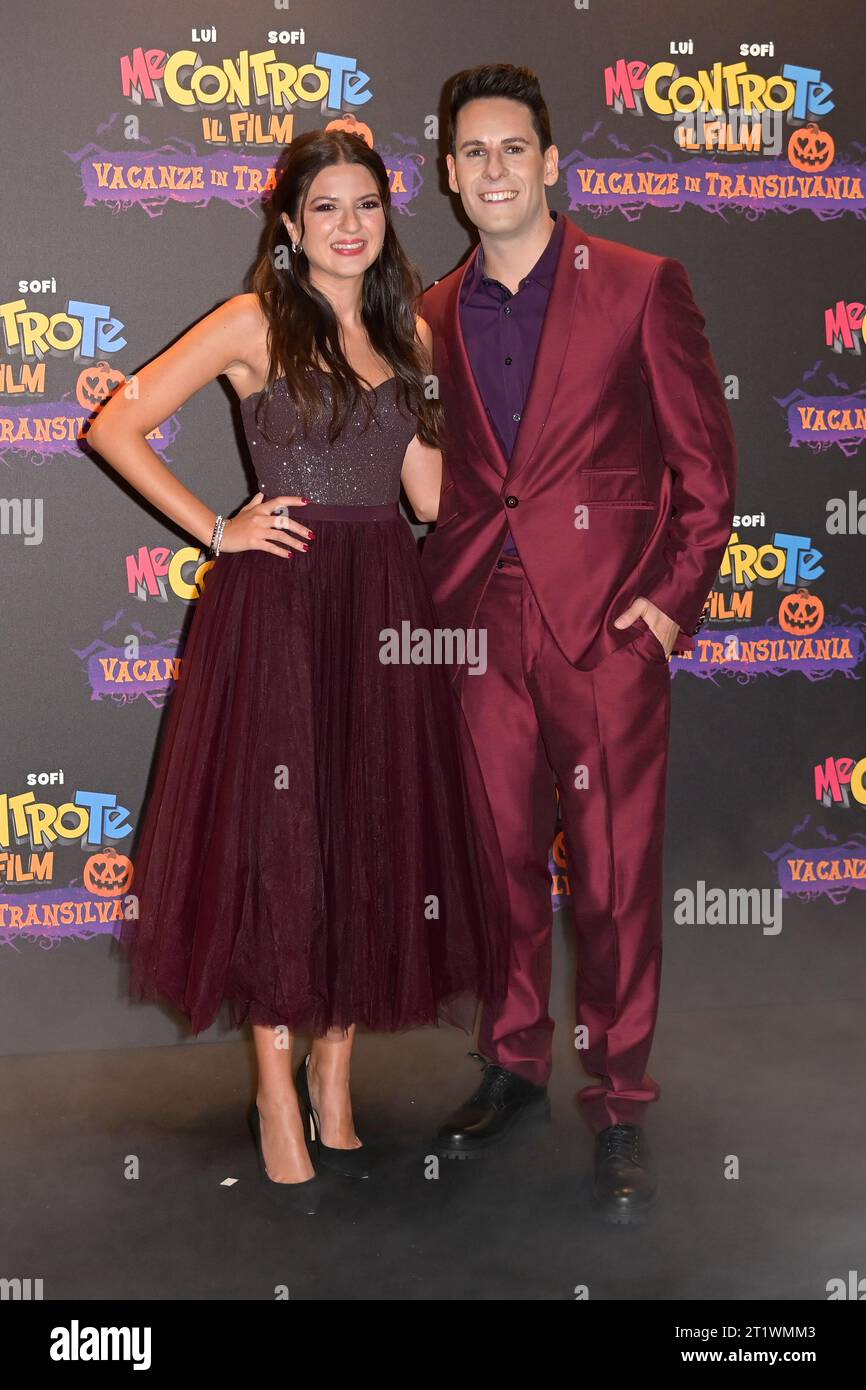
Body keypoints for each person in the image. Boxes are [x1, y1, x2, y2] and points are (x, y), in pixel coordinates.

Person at [87, 130, 508, 1212]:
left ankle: (333, 1073)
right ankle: (275, 1088)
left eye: (364, 204)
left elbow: (423, 497)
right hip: (277, 606)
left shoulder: (402, 328)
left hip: (382, 604)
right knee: (282, 844)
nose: (348, 224)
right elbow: (116, 424)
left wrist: (481, 433)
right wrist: (213, 529)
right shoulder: (249, 323)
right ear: (288, 225)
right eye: (325, 207)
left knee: (365, 829)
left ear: (386, 216)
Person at [420, 65, 737, 1222]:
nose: (494, 169)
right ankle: (511, 1060)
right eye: (472, 153)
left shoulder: (641, 286)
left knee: (607, 881)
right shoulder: (437, 311)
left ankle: (619, 1097)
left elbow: (706, 473)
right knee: (497, 866)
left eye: (514, 148)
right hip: (476, 628)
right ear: (448, 176)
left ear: (550, 162)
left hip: (602, 628)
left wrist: (663, 607)